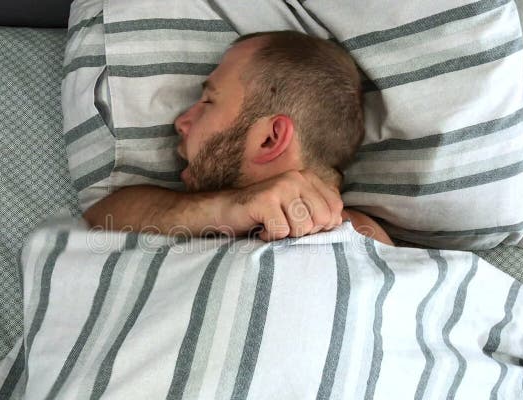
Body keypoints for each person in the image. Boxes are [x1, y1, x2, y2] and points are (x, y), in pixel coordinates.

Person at [83, 30, 393, 245]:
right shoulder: (205, 217)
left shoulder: (357, 238)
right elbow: (98, 220)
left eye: (208, 101)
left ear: (270, 138)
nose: (181, 122)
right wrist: (231, 208)